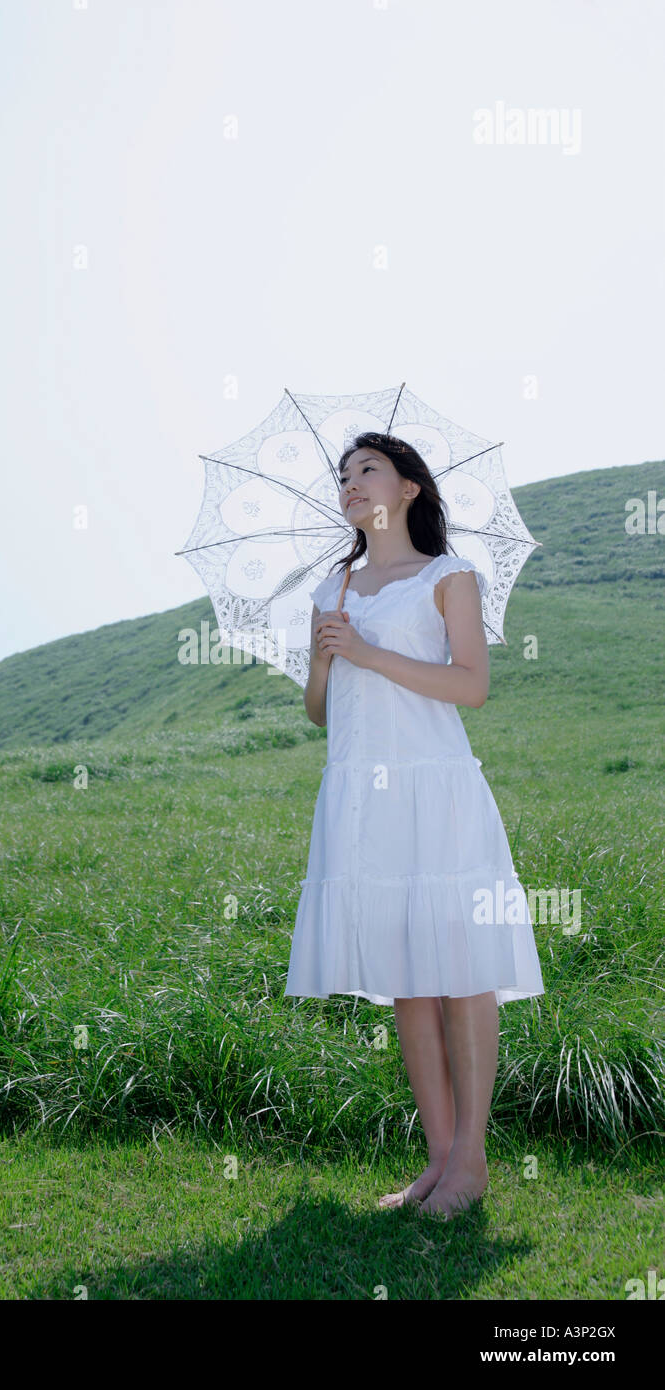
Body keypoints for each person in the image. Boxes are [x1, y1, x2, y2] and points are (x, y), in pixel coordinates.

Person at [284, 432, 545, 1219]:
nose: (351, 484)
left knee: (462, 970)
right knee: (405, 977)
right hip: (361, 796)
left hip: (435, 791)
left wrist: (364, 651)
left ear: (410, 489)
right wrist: (327, 662)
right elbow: (321, 712)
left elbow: (472, 687)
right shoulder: (333, 588)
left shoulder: (448, 576)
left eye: (367, 470)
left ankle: (472, 1161)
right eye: (342, 476)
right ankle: (437, 1161)